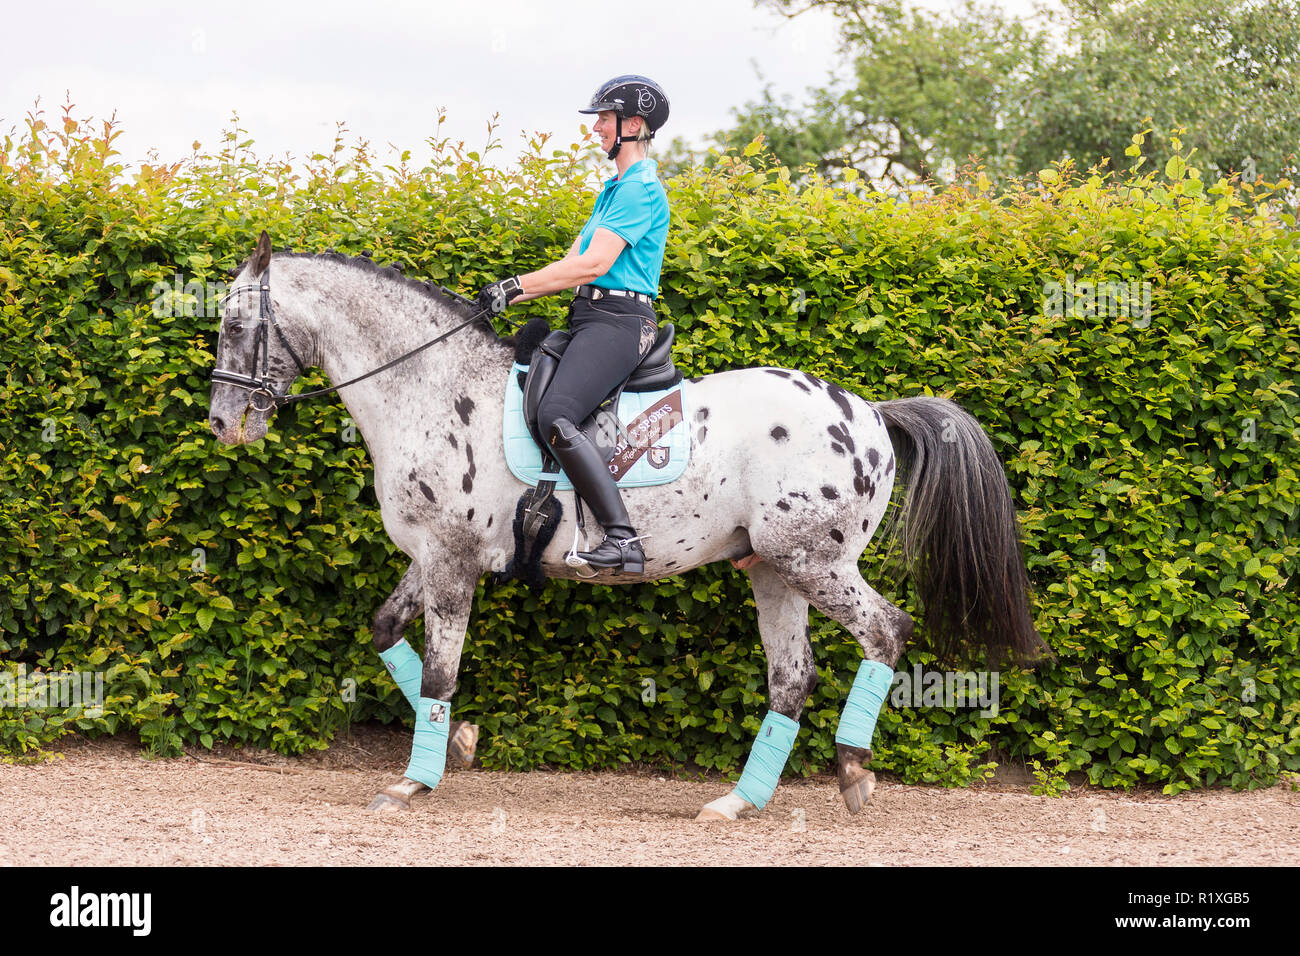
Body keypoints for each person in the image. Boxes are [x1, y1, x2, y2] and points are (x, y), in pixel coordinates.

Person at [477, 75, 671, 575]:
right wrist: (507, 294)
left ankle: (624, 538)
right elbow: (570, 265)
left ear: (633, 124)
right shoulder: (613, 190)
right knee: (536, 397)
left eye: (604, 120)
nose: (597, 130)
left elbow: (592, 265)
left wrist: (515, 283)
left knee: (558, 412)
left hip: (621, 321)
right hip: (589, 316)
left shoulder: (641, 188)